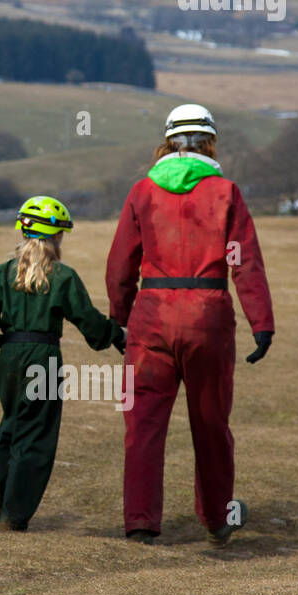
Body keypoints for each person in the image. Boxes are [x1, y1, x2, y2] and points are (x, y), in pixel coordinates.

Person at [106, 104, 274, 546]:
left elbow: (121, 262)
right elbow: (244, 261)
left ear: (167, 141)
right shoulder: (226, 192)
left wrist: (118, 318)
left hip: (151, 317)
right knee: (210, 422)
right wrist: (262, 322)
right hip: (208, 317)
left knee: (142, 425)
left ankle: (140, 523)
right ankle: (217, 519)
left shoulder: (142, 191)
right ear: (210, 142)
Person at [0, 196, 123, 531]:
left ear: (22, 231)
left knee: (10, 424)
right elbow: (90, 324)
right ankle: (13, 516)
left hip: (9, 359)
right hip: (44, 359)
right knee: (36, 437)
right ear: (57, 236)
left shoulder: (3, 273)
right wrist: (118, 336)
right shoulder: (63, 277)